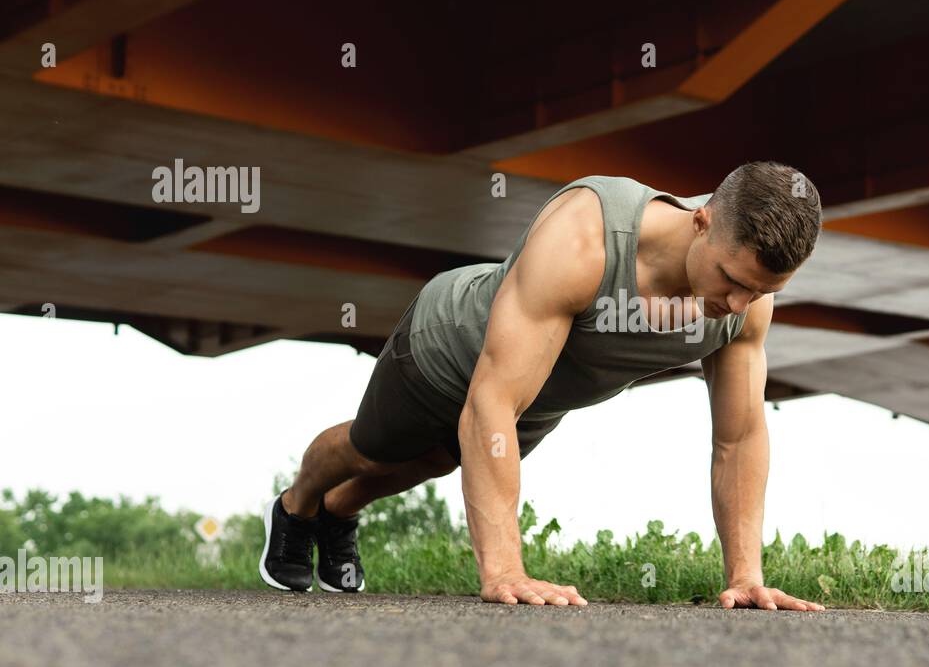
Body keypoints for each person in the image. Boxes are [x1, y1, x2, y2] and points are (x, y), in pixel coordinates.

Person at [260, 161, 826, 611]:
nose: (736, 305)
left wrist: (747, 576)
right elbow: (491, 400)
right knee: (374, 452)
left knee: (433, 462)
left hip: (541, 395)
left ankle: (338, 514)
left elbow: (740, 436)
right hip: (450, 346)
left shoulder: (745, 302)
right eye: (730, 279)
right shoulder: (586, 239)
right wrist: (505, 570)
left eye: (758, 290)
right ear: (701, 220)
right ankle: (297, 507)